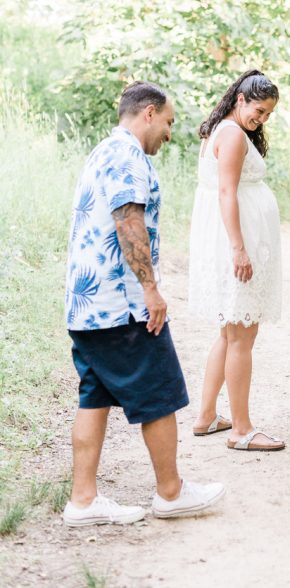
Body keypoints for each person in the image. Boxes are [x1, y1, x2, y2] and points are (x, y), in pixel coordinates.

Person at [63, 81, 225, 526]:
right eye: (169, 122)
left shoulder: (104, 150)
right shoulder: (128, 156)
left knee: (94, 395)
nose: (170, 133)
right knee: (160, 391)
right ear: (149, 113)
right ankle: (171, 493)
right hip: (121, 305)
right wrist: (150, 290)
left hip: (87, 306)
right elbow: (128, 219)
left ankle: (83, 500)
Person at [188, 70, 284, 451]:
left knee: (230, 332)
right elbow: (226, 193)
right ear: (240, 99)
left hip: (234, 240)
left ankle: (207, 416)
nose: (260, 119)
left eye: (267, 115)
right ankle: (242, 430)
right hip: (235, 243)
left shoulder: (227, 131)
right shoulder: (230, 135)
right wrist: (239, 248)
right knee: (242, 335)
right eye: (258, 110)